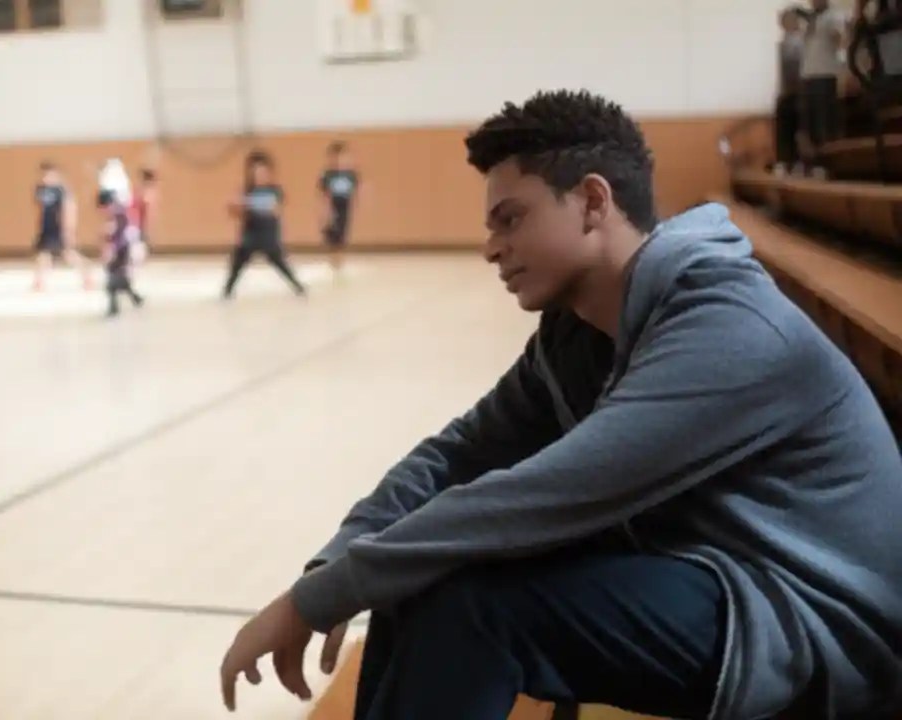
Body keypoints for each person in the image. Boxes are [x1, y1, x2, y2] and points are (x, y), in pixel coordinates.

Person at [219, 90, 902, 720]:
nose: (491, 247)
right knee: (423, 575)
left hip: (820, 627)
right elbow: (455, 456)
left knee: (472, 604)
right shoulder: (577, 336)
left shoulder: (729, 328)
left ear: (593, 201)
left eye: (510, 219)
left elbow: (540, 498)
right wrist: (335, 562)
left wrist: (315, 603)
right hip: (714, 571)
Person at [223, 150, 306, 299]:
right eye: (255, 171)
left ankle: (299, 288)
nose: (258, 175)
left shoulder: (275, 191)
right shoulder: (246, 190)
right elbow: (234, 211)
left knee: (280, 263)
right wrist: (237, 205)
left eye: (262, 171)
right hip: (250, 235)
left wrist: (250, 204)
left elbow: (275, 210)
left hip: (269, 236)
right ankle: (227, 292)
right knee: (237, 262)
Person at [798, 0, 850, 175]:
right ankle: (814, 164)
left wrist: (844, 68)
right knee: (809, 123)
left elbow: (840, 41)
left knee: (824, 122)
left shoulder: (834, 15)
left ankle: (829, 165)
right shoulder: (811, 19)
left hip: (826, 75)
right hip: (809, 75)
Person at [32, 162, 92, 292]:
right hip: (46, 228)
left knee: (69, 254)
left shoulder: (62, 190)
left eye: (49, 174)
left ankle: (86, 277)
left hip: (60, 228)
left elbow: (69, 209)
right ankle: (38, 282)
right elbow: (41, 210)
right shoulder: (40, 190)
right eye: (43, 174)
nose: (45, 177)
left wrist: (69, 230)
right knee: (44, 254)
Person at [99, 189, 144, 318]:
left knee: (111, 280)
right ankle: (135, 297)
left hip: (120, 250)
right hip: (123, 248)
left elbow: (117, 236)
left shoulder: (116, 215)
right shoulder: (119, 212)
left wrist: (110, 250)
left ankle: (114, 307)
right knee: (118, 276)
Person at [318, 141, 361, 272]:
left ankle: (339, 262)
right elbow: (324, 195)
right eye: (335, 158)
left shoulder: (351, 175)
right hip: (332, 207)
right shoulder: (328, 175)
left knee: (342, 235)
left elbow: (355, 192)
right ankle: (333, 261)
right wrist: (325, 211)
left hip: (345, 208)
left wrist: (357, 203)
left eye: (342, 158)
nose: (338, 161)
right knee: (331, 235)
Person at [776, 8, 806, 174]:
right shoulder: (782, 43)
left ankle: (798, 162)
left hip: (798, 90)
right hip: (785, 91)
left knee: (799, 128)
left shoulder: (801, 41)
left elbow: (800, 68)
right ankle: (784, 160)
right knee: (783, 129)